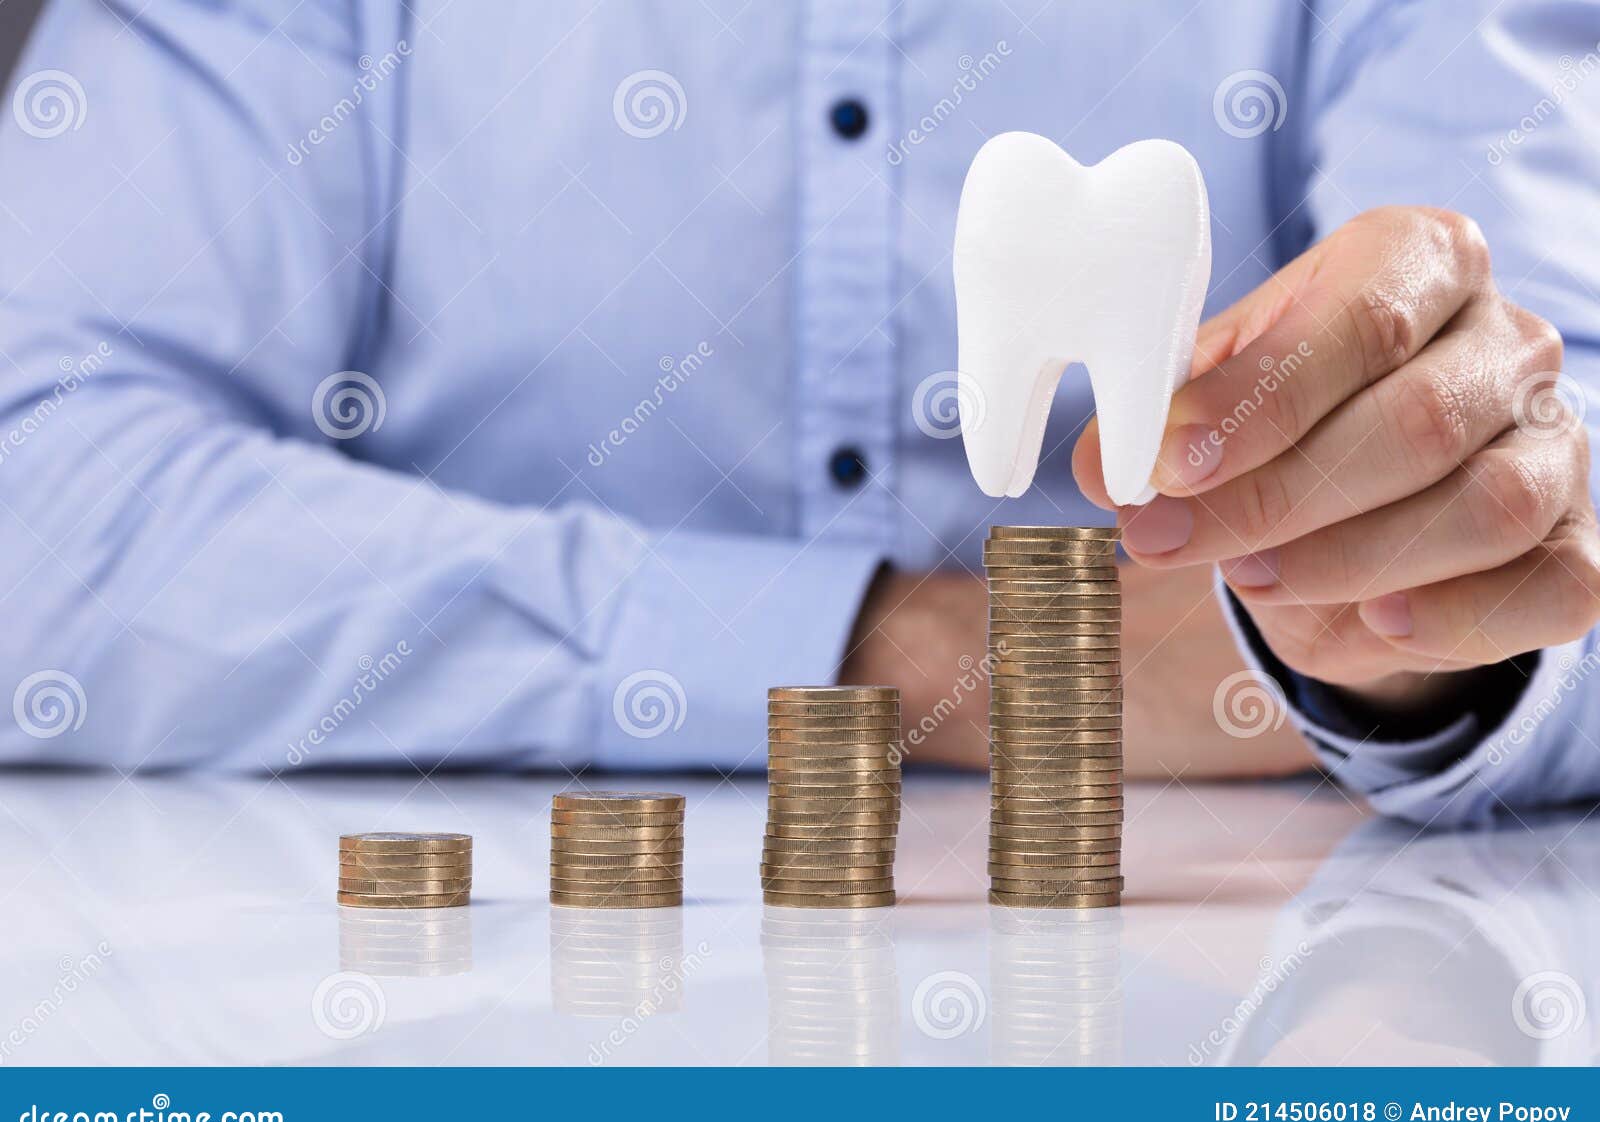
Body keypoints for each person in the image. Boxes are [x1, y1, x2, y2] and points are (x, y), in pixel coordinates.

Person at [0, 2, 1595, 828]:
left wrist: (1427, 609)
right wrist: (911, 658)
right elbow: (32, 499)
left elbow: (1556, 416)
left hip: (1240, 980)